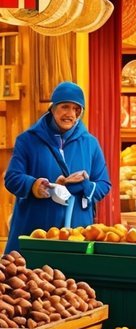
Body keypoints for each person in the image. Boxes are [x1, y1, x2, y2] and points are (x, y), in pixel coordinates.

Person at [4, 82, 111, 253]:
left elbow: (104, 183)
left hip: (78, 232)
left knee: (74, 278)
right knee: (30, 277)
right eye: (65, 107)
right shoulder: (28, 140)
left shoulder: (90, 143)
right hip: (36, 229)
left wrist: (86, 185)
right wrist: (34, 185)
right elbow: (12, 178)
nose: (70, 114)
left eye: (76, 109)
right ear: (52, 109)